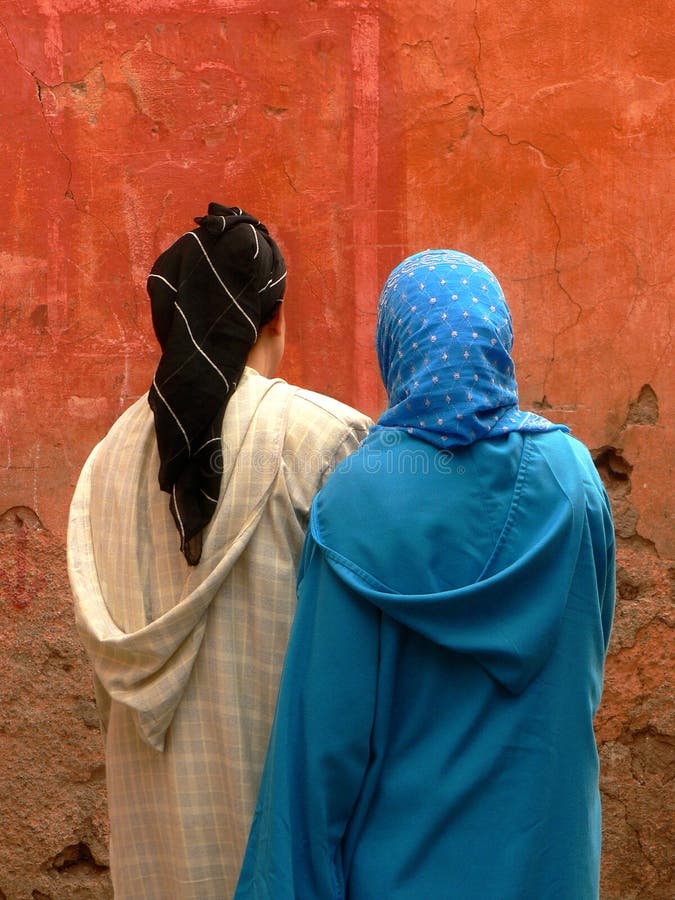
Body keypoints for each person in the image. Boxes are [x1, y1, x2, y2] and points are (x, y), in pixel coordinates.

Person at [234, 249, 616, 900]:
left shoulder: (356, 503)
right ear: (498, 342)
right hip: (548, 873)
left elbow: (319, 752)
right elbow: (587, 657)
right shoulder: (574, 484)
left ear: (395, 349)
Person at [67, 203, 371, 898]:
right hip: (284, 844)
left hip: (157, 849)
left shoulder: (105, 462)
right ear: (275, 320)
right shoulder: (326, 442)